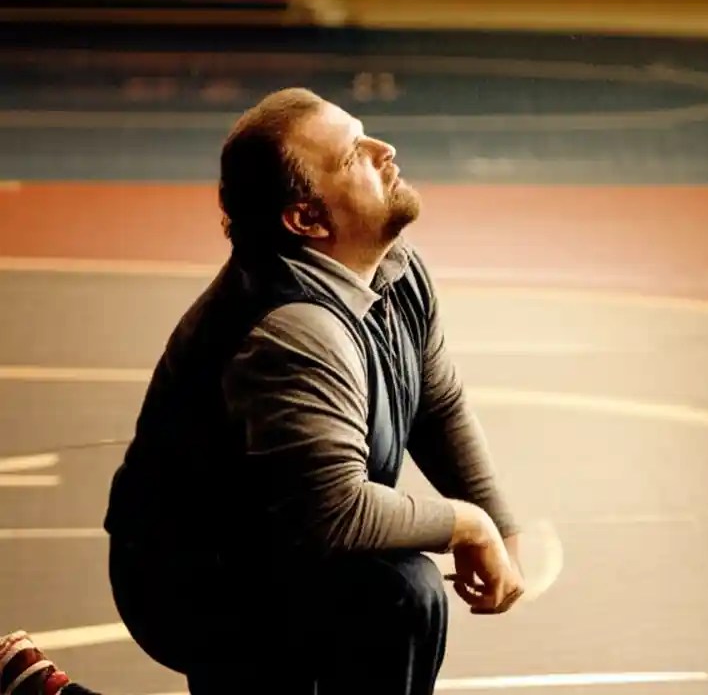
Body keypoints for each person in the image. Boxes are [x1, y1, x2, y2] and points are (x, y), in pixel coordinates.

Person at [96, 87, 525, 693]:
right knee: (401, 592)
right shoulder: (293, 330)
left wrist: (503, 527)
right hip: (193, 578)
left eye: (365, 133)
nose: (384, 149)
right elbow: (337, 513)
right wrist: (469, 524)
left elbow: (438, 402)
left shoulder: (396, 270)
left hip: (275, 538)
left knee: (390, 586)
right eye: (353, 155)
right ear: (307, 219)